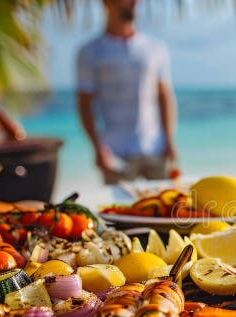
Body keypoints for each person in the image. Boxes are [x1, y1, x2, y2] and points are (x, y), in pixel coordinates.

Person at [76, 0, 177, 184]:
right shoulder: (91, 51)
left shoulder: (155, 48)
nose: (134, 3)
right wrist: (98, 148)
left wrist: (169, 140)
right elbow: (84, 105)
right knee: (116, 208)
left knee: (166, 206)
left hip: (154, 146)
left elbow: (165, 96)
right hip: (115, 151)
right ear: (107, 3)